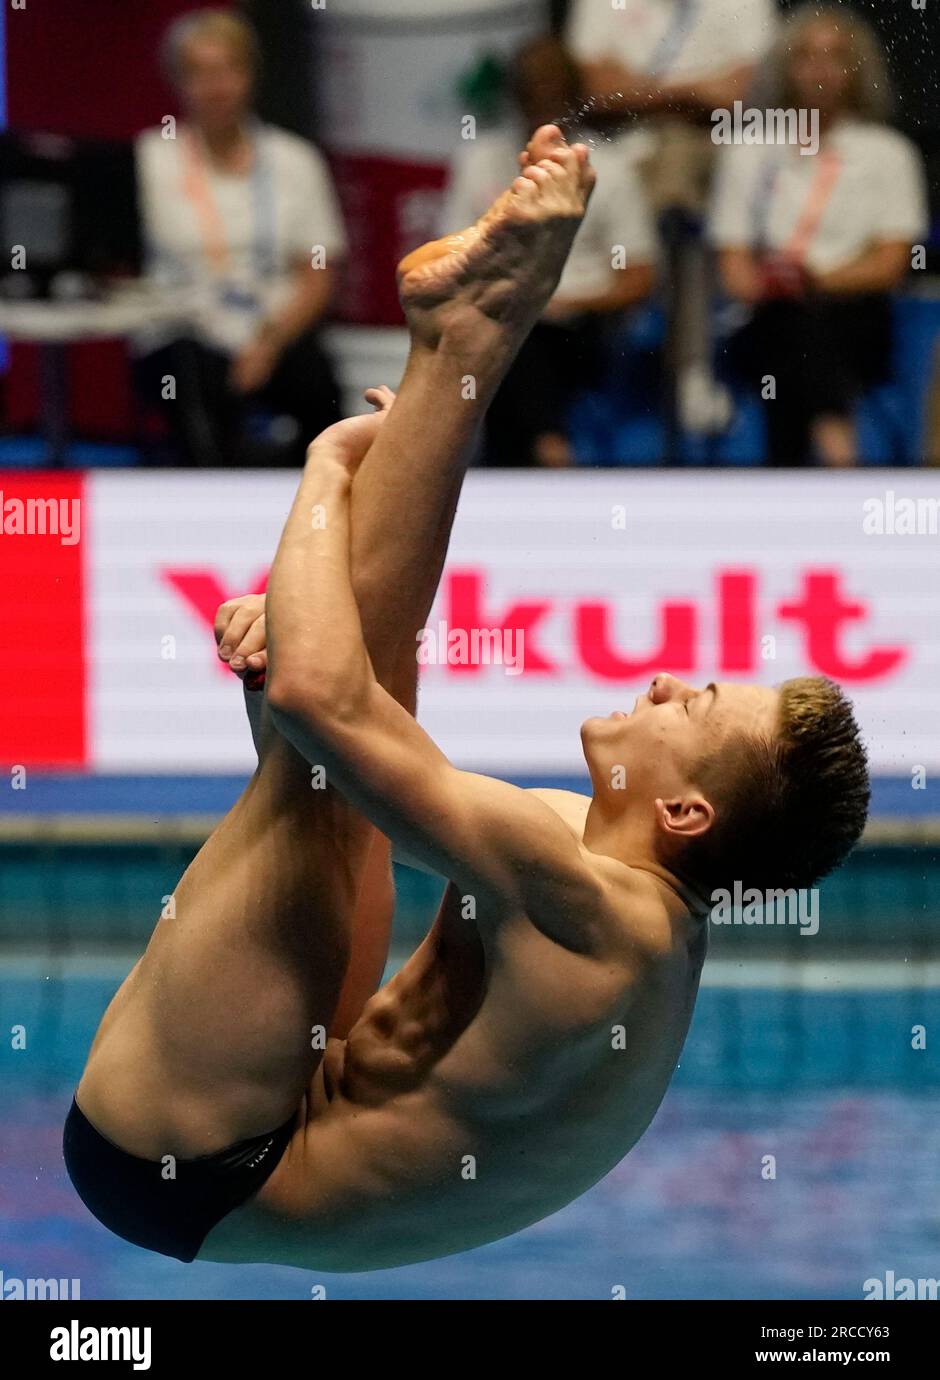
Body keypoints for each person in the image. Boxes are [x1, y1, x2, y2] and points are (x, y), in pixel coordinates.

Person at [64, 127, 869, 1273]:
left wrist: (330, 469)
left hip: (188, 1162)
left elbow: (320, 694)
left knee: (318, 771)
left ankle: (469, 342)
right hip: (287, 1089)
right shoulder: (586, 862)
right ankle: (463, 342)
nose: (666, 679)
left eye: (696, 706)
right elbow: (334, 708)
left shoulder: (600, 917)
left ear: (686, 813)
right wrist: (282, 683)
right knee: (335, 760)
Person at [711, 5, 928, 467]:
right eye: (806, 56)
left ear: (857, 68)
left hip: (856, 316)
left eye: (834, 56)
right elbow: (734, 273)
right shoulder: (749, 151)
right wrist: (780, 286)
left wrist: (811, 281)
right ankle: (838, 456)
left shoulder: (889, 154)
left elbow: (890, 265)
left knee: (808, 328)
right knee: (791, 327)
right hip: (765, 319)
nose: (820, 70)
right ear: (785, 67)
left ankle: (793, 472)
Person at [134, 9, 347, 467]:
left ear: (251, 73)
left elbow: (317, 273)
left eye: (228, 69)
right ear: (178, 81)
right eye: (200, 73)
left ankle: (317, 510)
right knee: (191, 377)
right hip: (183, 330)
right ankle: (210, 509)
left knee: (319, 385)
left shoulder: (295, 159)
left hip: (275, 327)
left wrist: (268, 343)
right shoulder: (150, 160)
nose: (217, 87)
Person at [440, 35, 656, 467]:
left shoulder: (608, 168)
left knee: (523, 338)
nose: (540, 93)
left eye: (551, 83)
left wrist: (562, 302)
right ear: (513, 92)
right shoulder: (478, 163)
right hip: (494, 313)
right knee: (505, 331)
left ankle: (541, 453)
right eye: (530, 83)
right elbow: (448, 256)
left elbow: (639, 276)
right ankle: (543, 452)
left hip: (581, 324)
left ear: (571, 91)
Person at [567, 0, 778, 436]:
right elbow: (595, 88)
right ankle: (635, 331)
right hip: (618, 149)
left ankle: (686, 358)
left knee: (678, 178)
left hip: (716, 146)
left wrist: (643, 91)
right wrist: (692, 92)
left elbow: (742, 92)